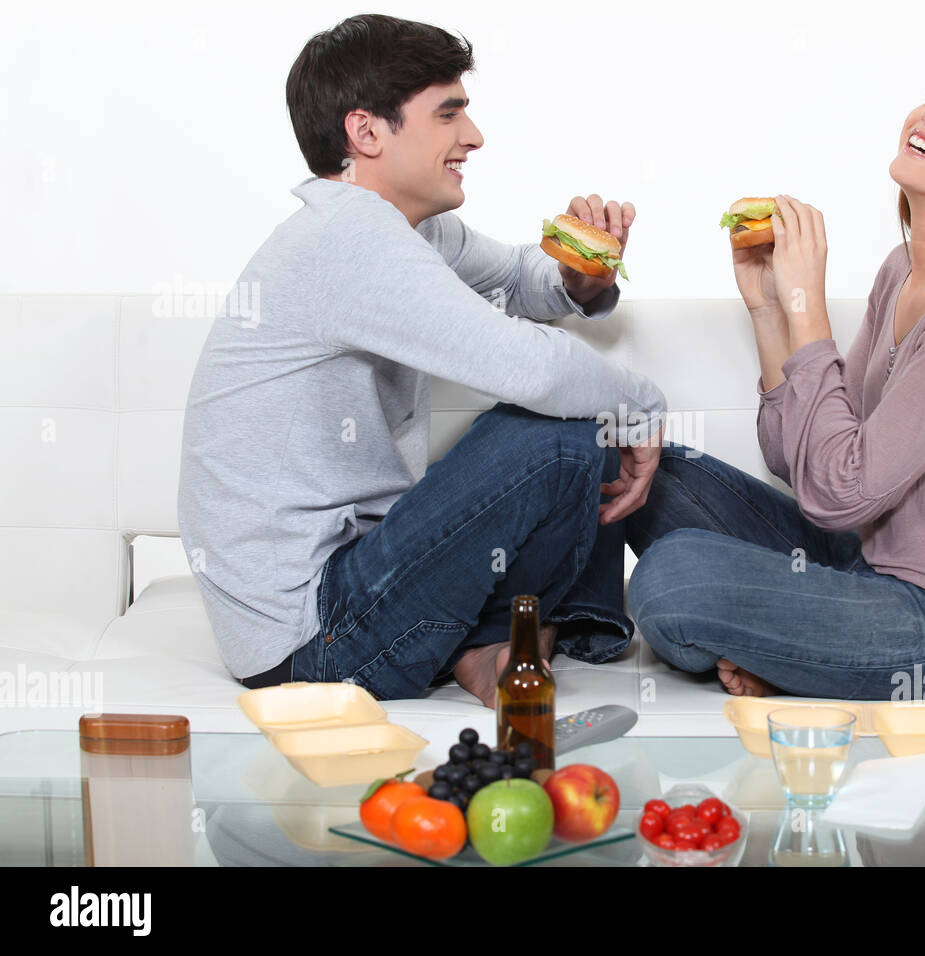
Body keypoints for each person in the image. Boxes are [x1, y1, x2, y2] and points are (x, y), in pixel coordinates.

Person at [177, 14, 665, 705]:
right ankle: (514, 633)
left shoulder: (408, 228)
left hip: (352, 582)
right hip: (310, 639)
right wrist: (642, 407)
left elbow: (516, 278)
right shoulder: (350, 238)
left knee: (581, 417)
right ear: (366, 132)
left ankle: (493, 641)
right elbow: (534, 370)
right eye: (448, 114)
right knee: (563, 430)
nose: (474, 136)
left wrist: (581, 276)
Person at [626, 53, 925, 701]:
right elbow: (800, 462)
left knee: (671, 579)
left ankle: (786, 651)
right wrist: (769, 310)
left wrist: (808, 304)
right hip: (862, 560)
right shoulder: (903, 269)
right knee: (648, 473)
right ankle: (794, 652)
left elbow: (840, 493)